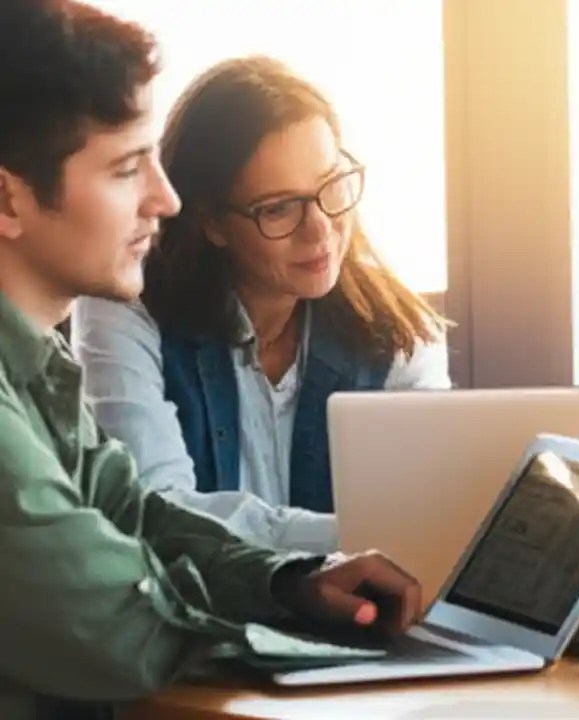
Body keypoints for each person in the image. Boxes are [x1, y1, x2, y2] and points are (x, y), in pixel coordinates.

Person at [0, 2, 422, 718]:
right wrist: (303, 630)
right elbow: (117, 631)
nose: (166, 200)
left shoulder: (36, 366)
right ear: (7, 199)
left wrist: (290, 582)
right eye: (126, 169)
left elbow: (138, 514)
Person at [72, 55, 451, 554]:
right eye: (279, 208)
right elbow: (156, 511)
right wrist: (359, 538)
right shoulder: (125, 309)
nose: (320, 230)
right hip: (190, 602)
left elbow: (431, 514)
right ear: (211, 222)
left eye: (331, 185)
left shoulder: (398, 329)